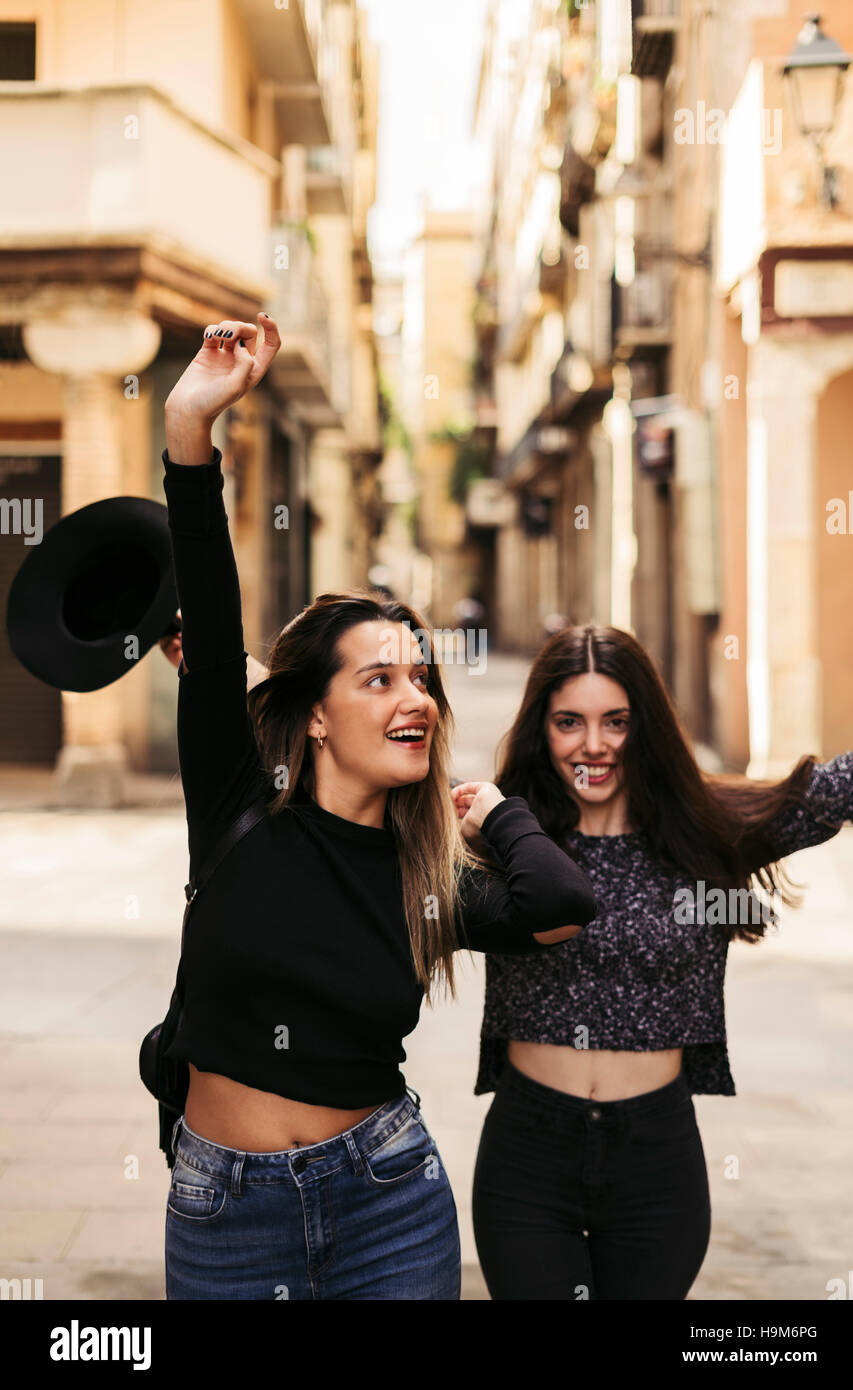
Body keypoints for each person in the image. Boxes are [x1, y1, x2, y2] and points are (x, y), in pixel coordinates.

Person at [158, 314, 598, 1300]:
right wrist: (193, 423)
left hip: (386, 1192)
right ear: (313, 715)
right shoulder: (236, 800)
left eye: (421, 680)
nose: (415, 700)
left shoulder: (429, 875)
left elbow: (565, 903)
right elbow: (211, 588)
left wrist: (497, 813)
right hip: (225, 1206)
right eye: (379, 681)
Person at [471, 622, 853, 1300]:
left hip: (654, 1160)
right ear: (543, 728)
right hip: (527, 1157)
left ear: (644, 727)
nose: (592, 746)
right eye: (569, 721)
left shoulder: (705, 829)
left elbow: (845, 787)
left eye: (615, 722)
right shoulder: (503, 832)